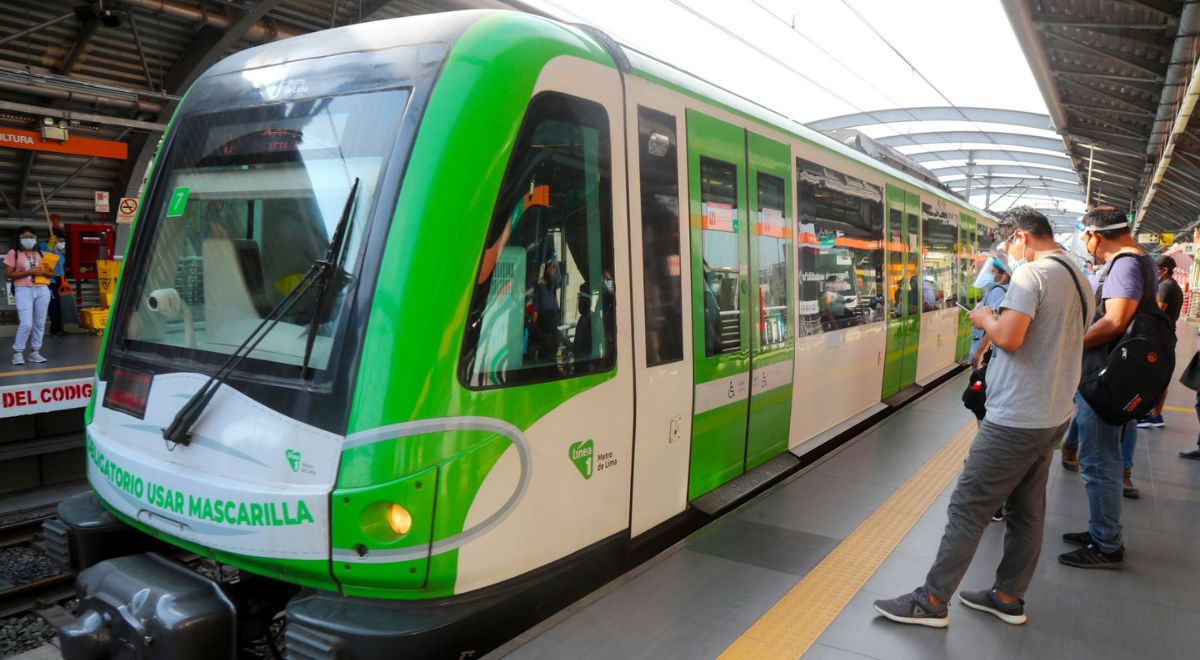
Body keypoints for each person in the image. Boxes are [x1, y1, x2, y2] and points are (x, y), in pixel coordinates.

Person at [873, 207, 1090, 628]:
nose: (1007, 254)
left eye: (1008, 244)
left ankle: (931, 600)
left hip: (1016, 417)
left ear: (1023, 237)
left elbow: (1009, 337)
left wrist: (984, 318)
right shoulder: (1076, 273)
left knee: (969, 506)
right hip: (1054, 412)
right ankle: (1008, 596)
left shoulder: (1033, 274)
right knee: (1027, 509)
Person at [1059, 207, 1156, 569]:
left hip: (1105, 375)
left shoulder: (1126, 263)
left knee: (1098, 461)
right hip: (1115, 372)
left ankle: (1106, 544)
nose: (1085, 244)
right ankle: (1102, 529)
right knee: (1103, 459)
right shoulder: (1140, 260)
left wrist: (1070, 343)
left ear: (1095, 235)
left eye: (1084, 236)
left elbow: (1115, 320)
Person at [1137, 254, 1183, 429]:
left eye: (1155, 268)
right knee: (1159, 376)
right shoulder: (1173, 286)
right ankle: (1154, 414)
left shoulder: (1165, 286)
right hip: (1167, 336)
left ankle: (1153, 414)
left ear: (1164, 270)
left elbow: (1157, 311)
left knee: (1154, 376)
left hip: (1160, 337)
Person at [4, 226, 53, 365]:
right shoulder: (14, 253)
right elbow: (8, 274)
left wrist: (44, 271)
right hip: (23, 289)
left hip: (42, 288)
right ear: (19, 239)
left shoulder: (42, 254)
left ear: (36, 239)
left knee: (40, 323)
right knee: (26, 323)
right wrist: (29, 272)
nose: (29, 240)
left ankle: (35, 351)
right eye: (25, 237)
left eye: (31, 237)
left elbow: (52, 273)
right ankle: (18, 352)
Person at [967, 256, 1011, 367]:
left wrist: (979, 352)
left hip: (984, 353)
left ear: (1003, 276)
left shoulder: (997, 291)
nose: (987, 274)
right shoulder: (993, 290)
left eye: (992, 271)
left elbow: (991, 328)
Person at [39, 228, 67, 336]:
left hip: (60, 279)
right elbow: (46, 255)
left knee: (60, 304)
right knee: (53, 305)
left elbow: (61, 267)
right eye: (60, 240)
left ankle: (59, 327)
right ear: (53, 238)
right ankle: (54, 329)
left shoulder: (60, 252)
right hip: (50, 280)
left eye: (63, 240)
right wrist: (51, 243)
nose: (62, 242)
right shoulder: (44, 247)